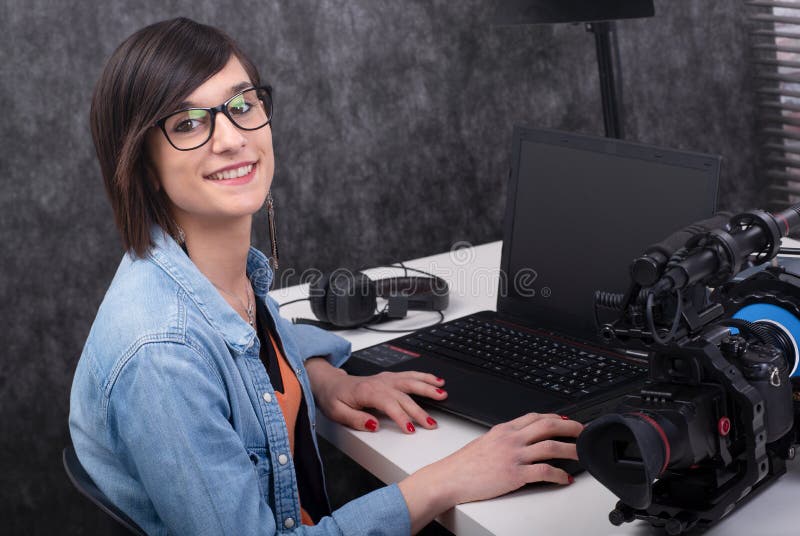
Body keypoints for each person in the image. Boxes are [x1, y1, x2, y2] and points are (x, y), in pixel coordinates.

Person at [69, 17, 583, 535]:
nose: (231, 138)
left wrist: (323, 377)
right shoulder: (162, 357)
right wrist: (445, 480)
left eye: (241, 105)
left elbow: (241, 349)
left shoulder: (209, 272)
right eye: (188, 123)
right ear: (143, 166)